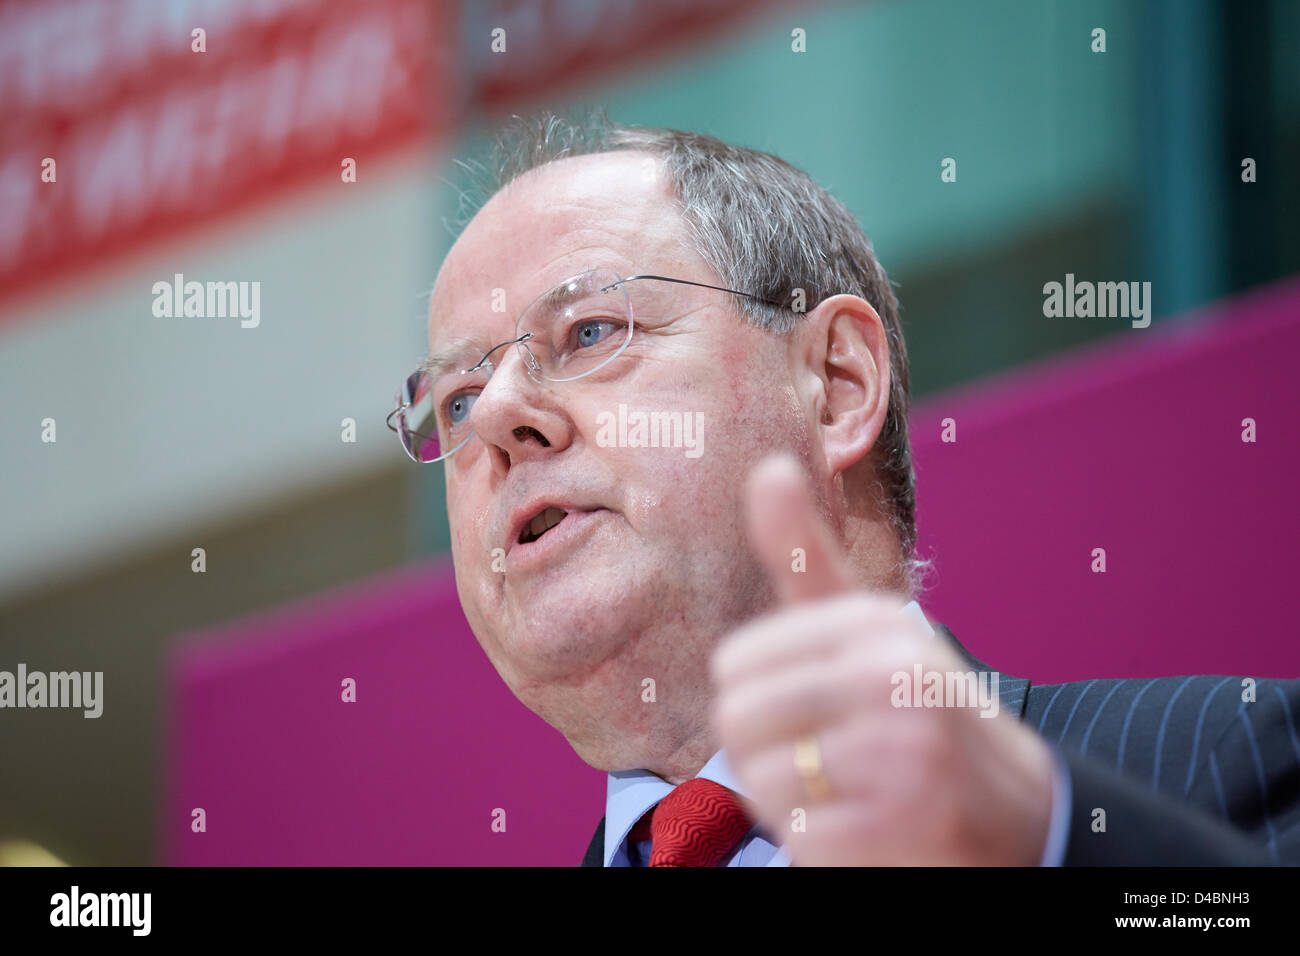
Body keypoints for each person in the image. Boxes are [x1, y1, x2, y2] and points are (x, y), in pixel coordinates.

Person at [388, 111, 1300, 866]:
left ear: (836, 384)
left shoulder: (1229, 763)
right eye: (458, 397)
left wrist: (1045, 838)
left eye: (588, 332)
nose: (501, 411)